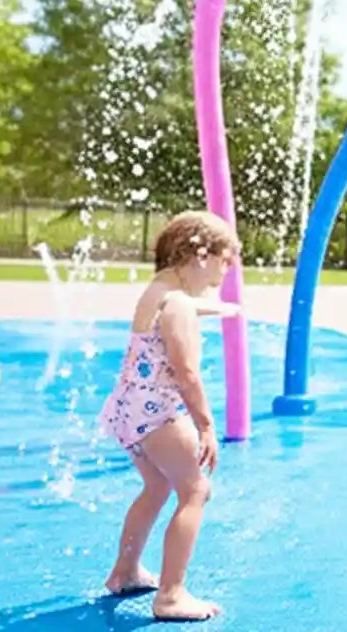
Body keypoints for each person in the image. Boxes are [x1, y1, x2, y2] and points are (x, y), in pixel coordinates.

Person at [97, 211, 242, 622]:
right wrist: (207, 426)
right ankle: (171, 594)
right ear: (200, 253)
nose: (224, 273)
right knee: (195, 491)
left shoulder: (158, 289)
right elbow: (186, 371)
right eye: (224, 261)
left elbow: (180, 306)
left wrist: (222, 309)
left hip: (127, 409)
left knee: (157, 486)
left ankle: (124, 572)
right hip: (158, 411)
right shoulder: (177, 302)